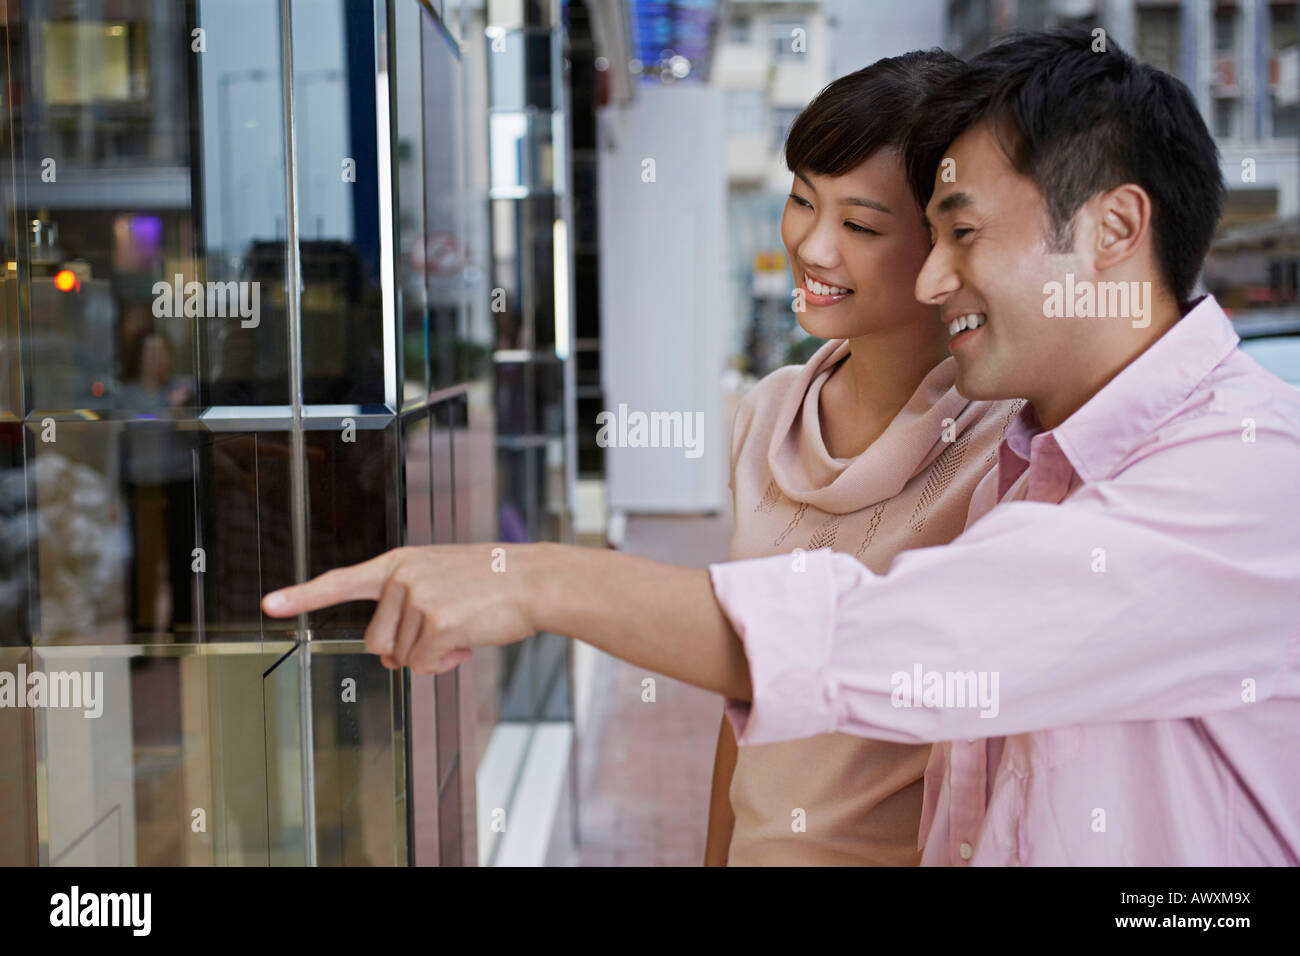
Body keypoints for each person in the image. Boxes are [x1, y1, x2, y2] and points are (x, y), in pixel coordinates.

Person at [263, 29, 1300, 865]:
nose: (937, 280)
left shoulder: (1248, 473)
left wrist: (532, 580)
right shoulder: (1042, 451)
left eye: (961, 232)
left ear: (1115, 229)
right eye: (806, 200)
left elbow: (900, 641)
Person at [704, 51, 1021, 867]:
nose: (811, 245)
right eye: (803, 199)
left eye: (859, 224)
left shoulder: (1008, 448)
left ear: (947, 242)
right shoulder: (766, 412)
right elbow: (747, 691)